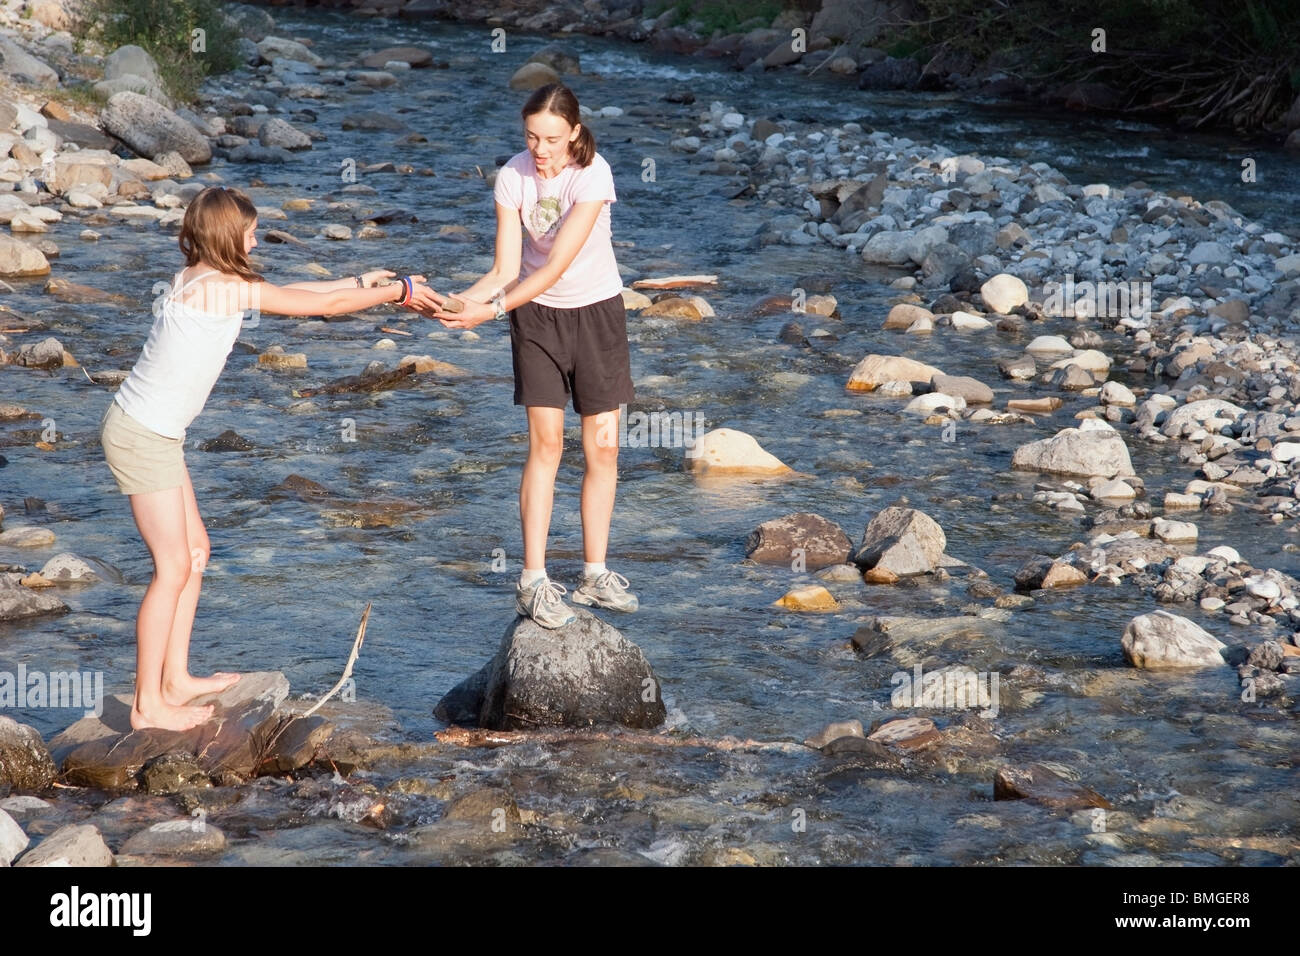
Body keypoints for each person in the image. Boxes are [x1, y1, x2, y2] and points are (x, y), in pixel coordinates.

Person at [101, 185, 432, 731]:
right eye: (251, 230)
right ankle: (146, 707)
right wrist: (397, 293)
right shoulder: (221, 289)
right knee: (173, 567)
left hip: (157, 433)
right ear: (230, 236)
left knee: (197, 551)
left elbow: (293, 290)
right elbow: (315, 307)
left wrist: (358, 282)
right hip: (141, 434)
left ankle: (175, 679)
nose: (258, 237)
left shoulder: (207, 278)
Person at [407, 83, 637, 629]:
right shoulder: (512, 177)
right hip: (535, 318)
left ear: (574, 133)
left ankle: (595, 574)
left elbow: (556, 265)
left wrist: (488, 312)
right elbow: (505, 270)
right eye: (532, 137)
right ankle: (533, 580)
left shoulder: (594, 174)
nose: (541, 149)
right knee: (547, 445)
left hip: (597, 314)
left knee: (602, 449)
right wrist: (455, 303)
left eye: (552, 139)